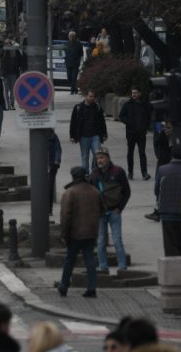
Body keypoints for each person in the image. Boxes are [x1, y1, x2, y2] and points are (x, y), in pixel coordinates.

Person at [56, 165, 102, 298]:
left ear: (73, 176)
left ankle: (63, 286)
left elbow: (65, 216)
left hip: (75, 233)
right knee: (90, 260)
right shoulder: (95, 191)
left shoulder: (70, 192)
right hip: (91, 231)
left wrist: (64, 234)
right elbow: (101, 210)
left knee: (70, 260)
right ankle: (92, 288)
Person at [89, 147, 131, 277]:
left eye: (101, 157)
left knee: (117, 240)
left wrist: (120, 208)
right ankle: (103, 267)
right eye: (97, 158)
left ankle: (122, 267)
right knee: (101, 242)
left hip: (114, 212)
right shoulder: (94, 175)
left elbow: (126, 192)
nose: (99, 160)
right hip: (101, 213)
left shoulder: (118, 172)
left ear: (108, 158)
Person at [69, 90, 108, 172]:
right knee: (85, 156)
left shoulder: (97, 107)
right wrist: (72, 136)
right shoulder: (78, 108)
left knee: (97, 155)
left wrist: (104, 134)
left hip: (95, 136)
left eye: (93, 96)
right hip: (83, 137)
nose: (92, 98)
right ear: (85, 96)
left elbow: (102, 121)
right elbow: (73, 122)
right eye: (90, 96)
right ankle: (85, 174)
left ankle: (95, 172)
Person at [119, 87, 153, 180]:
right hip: (131, 133)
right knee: (130, 153)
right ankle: (130, 173)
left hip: (141, 133)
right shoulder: (128, 104)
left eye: (135, 93)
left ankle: (144, 173)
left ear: (139, 94)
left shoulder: (144, 105)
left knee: (142, 153)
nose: (133, 94)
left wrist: (146, 125)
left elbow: (149, 115)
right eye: (132, 93)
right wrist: (128, 122)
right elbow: (121, 116)